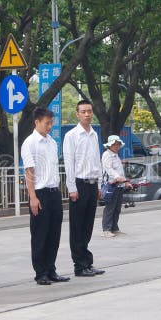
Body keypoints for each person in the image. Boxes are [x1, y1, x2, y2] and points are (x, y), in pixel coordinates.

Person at [22, 106, 69, 285]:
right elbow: (29, 171)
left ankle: (51, 269)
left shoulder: (52, 142)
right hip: (40, 194)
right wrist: (33, 197)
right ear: (37, 122)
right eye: (47, 123)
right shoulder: (30, 143)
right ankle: (40, 272)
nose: (49, 126)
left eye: (51, 123)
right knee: (40, 235)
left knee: (53, 234)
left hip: (53, 192)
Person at [62, 99, 105, 277]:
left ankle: (87, 262)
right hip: (79, 184)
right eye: (83, 111)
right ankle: (79, 265)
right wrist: (71, 187)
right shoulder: (71, 136)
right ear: (77, 114)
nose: (87, 114)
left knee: (87, 226)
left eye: (89, 111)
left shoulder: (94, 134)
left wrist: (100, 184)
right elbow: (69, 163)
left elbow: (97, 160)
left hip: (92, 183)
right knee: (77, 226)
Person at [100, 135, 133, 237]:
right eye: (114, 144)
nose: (116, 146)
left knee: (117, 208)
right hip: (111, 185)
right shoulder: (107, 155)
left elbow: (120, 172)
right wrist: (118, 177)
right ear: (109, 145)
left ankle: (114, 228)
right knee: (110, 208)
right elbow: (109, 169)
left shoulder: (116, 155)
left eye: (118, 144)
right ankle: (106, 229)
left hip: (119, 185)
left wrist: (125, 182)